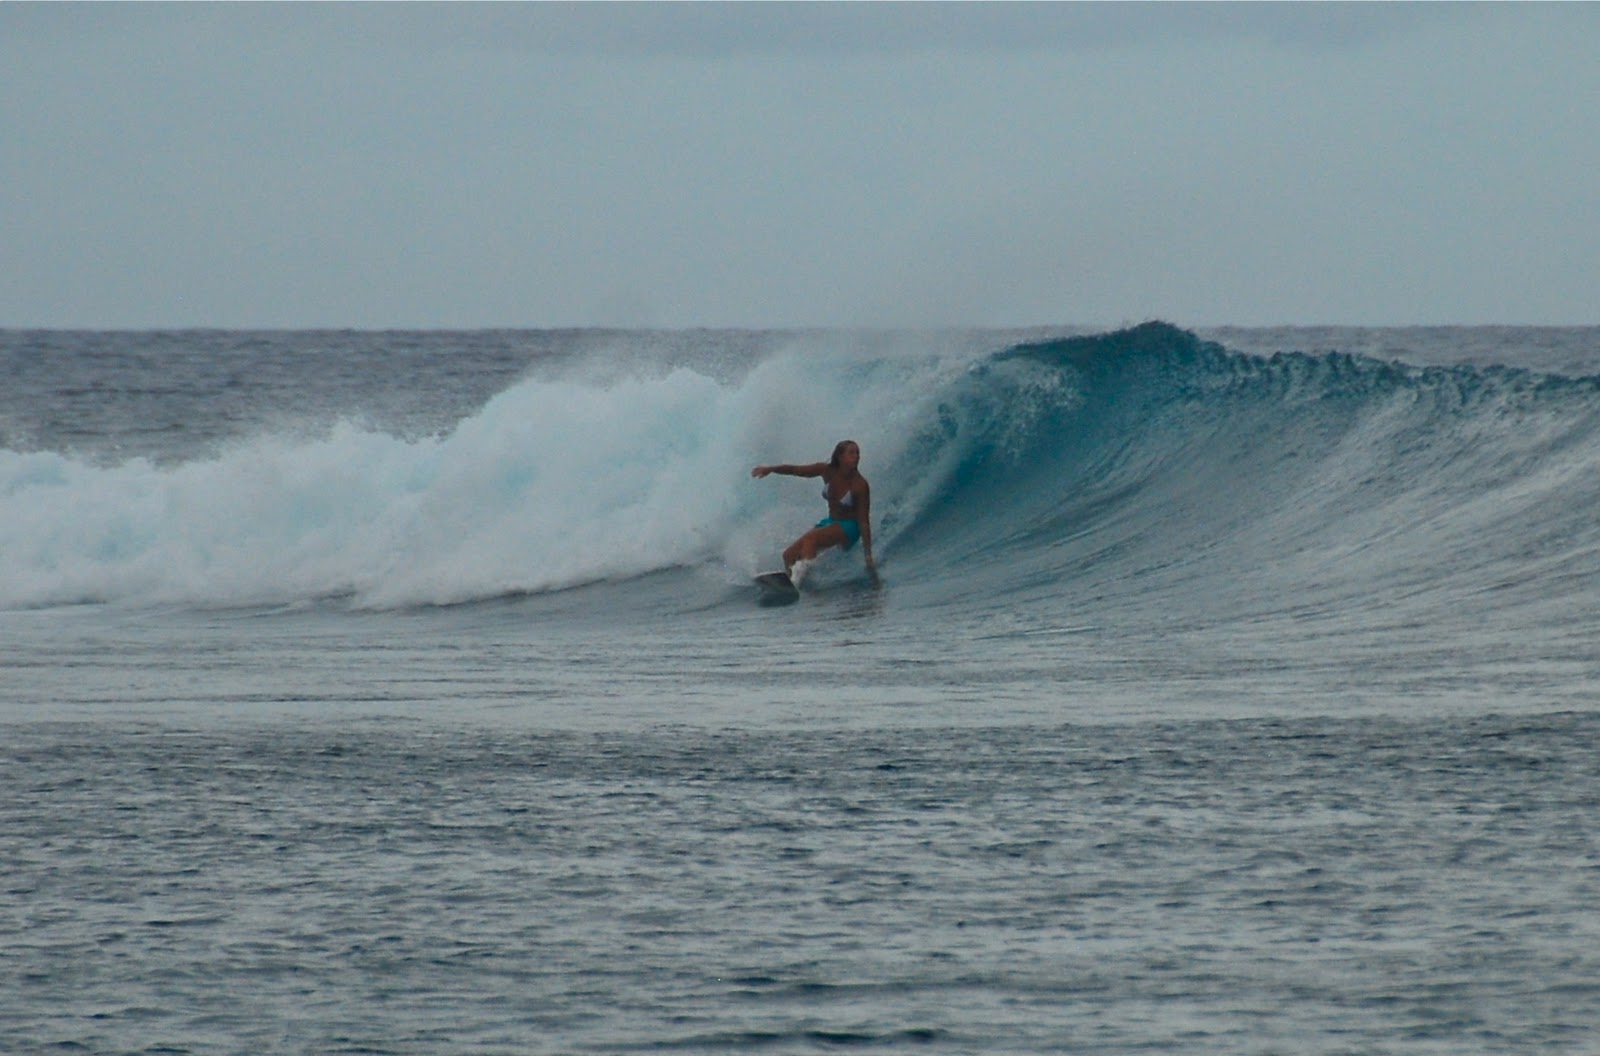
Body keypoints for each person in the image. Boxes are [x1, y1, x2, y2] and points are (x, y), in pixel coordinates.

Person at [752, 439, 878, 587]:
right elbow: (796, 470)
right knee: (788, 555)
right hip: (831, 522)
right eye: (851, 453)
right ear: (840, 456)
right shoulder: (827, 471)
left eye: (858, 453)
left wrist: (868, 555)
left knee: (811, 539)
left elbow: (863, 521)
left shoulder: (860, 485)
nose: (856, 456)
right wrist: (771, 469)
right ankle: (791, 585)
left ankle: (799, 582)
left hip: (850, 527)